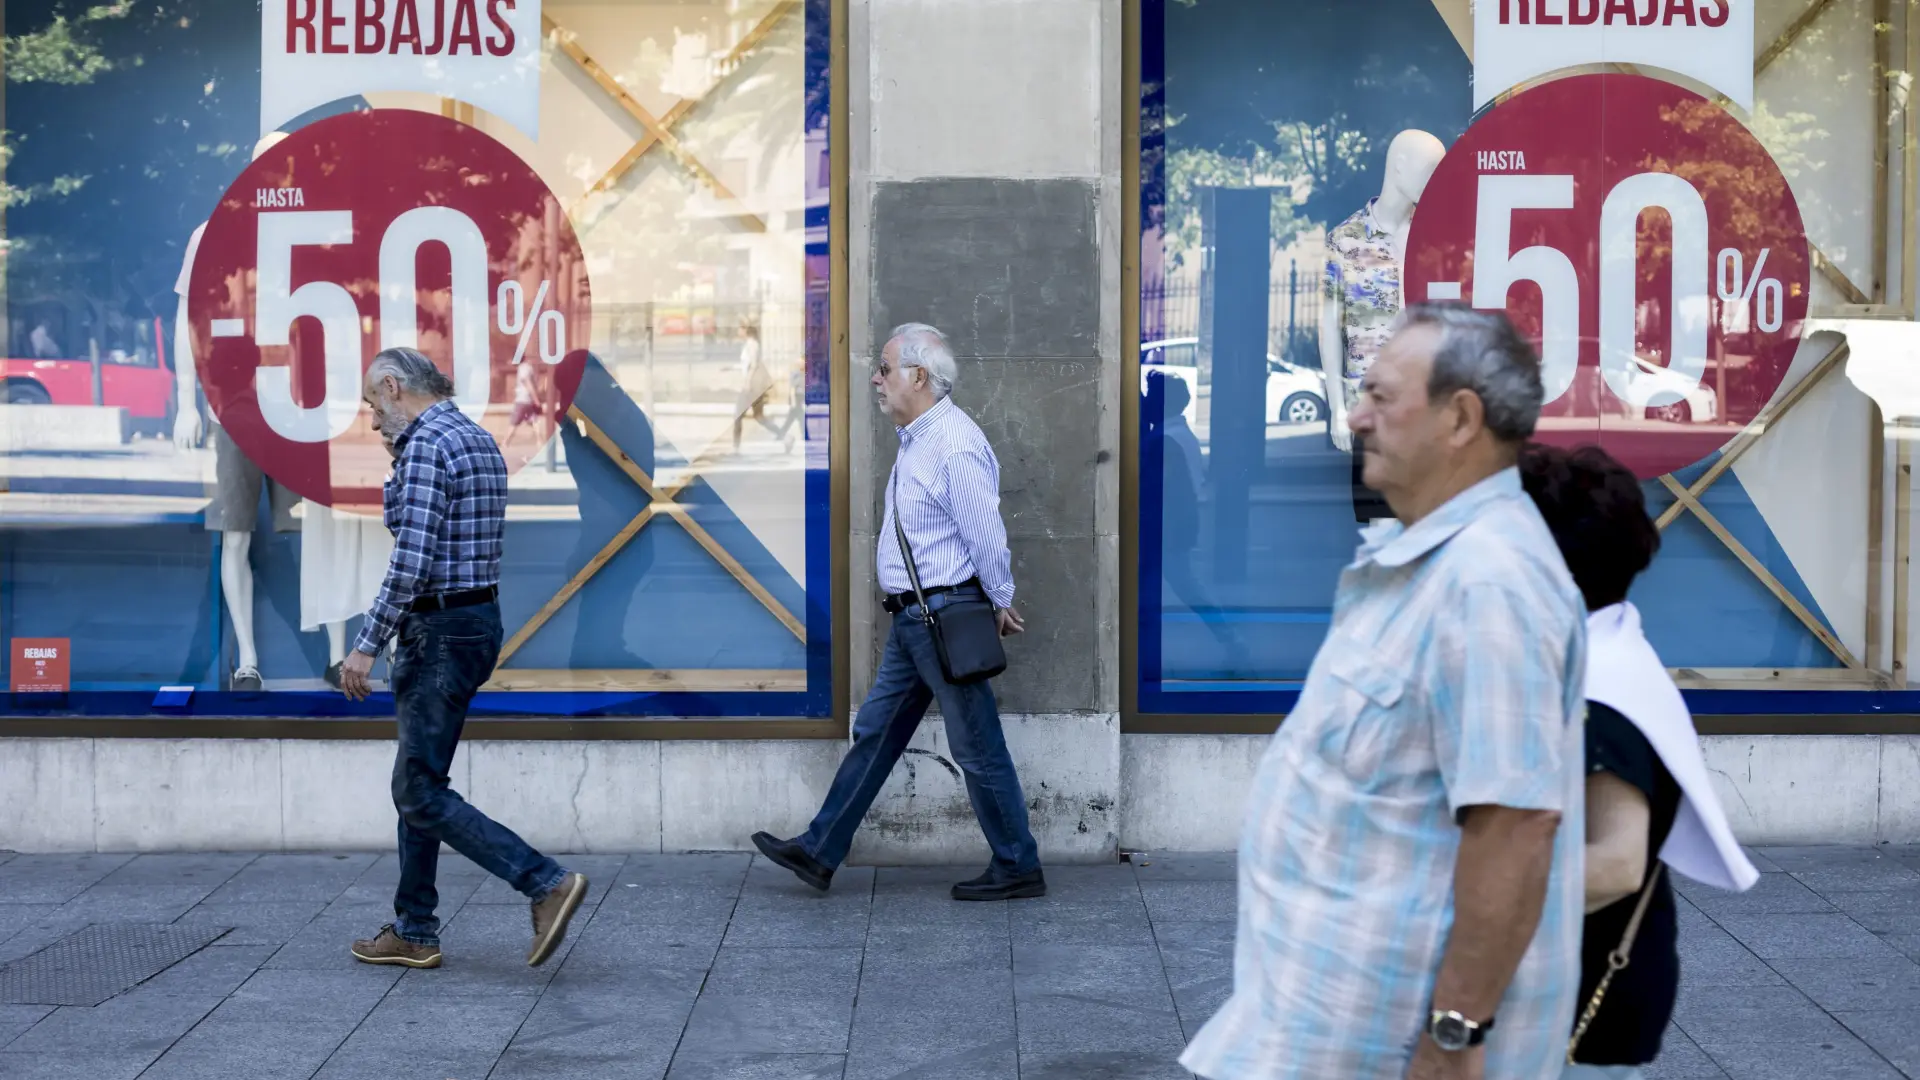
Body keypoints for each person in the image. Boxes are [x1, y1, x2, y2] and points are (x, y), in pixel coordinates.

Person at [1181, 303, 1588, 1080]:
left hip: (1401, 1053)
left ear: (1461, 418)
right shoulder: (1438, 562)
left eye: (1379, 395)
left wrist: (1453, 1038)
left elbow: (1514, 827)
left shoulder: (1490, 582)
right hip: (1327, 1029)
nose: (1357, 416)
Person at [752, 322, 1042, 901]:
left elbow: (986, 534)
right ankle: (819, 849)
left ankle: (1017, 864)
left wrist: (1001, 599)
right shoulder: (918, 439)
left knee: (977, 747)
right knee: (876, 733)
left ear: (918, 375)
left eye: (885, 369)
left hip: (943, 617)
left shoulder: (954, 444)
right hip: (916, 621)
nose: (877, 379)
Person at [338, 346, 588, 970]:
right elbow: (428, 529)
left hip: (438, 630)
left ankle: (543, 881)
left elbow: (410, 559)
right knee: (420, 780)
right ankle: (414, 928)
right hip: (476, 622)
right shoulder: (473, 437)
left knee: (417, 791)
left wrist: (366, 645)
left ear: (394, 387)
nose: (371, 420)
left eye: (373, 404)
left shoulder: (427, 446)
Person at [1518, 443, 1759, 1080]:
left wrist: (1454, 899)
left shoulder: (1598, 691)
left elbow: (1616, 865)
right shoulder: (1610, 644)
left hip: (1578, 1002)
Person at [732, 319, 790, 452]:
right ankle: (786, 438)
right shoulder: (749, 344)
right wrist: (731, 368)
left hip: (751, 387)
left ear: (746, 330)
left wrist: (747, 383)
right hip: (752, 387)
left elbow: (753, 365)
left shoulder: (752, 345)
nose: (738, 331)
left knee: (737, 415)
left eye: (740, 328)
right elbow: (746, 365)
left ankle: (735, 448)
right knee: (759, 417)